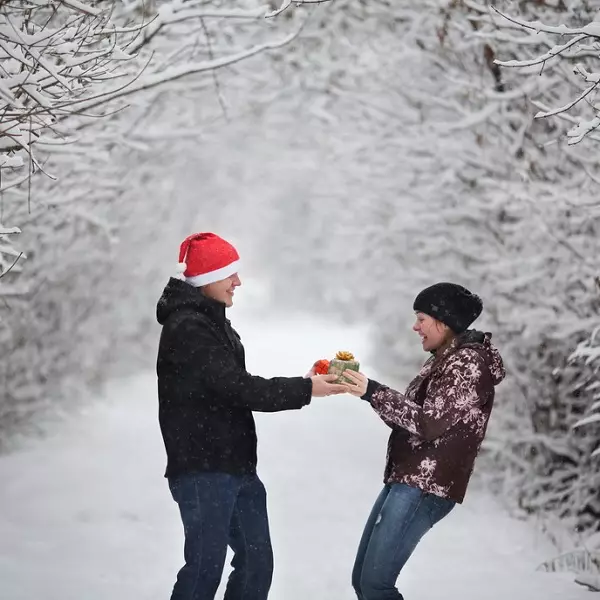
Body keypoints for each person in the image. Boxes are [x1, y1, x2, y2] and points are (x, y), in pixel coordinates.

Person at [156, 232, 347, 600]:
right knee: (203, 570)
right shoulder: (188, 327)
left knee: (257, 562)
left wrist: (306, 382)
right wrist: (306, 390)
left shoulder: (212, 321)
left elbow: (231, 388)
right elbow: (237, 388)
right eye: (230, 274)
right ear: (207, 278)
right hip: (203, 469)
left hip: (236, 466)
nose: (237, 282)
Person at [342, 282, 506, 600]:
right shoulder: (442, 359)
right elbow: (410, 420)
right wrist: (363, 391)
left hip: (427, 484)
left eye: (421, 318)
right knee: (363, 581)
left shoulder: (468, 365)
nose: (415, 327)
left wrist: (371, 390)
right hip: (408, 477)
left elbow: (428, 424)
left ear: (443, 322)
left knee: (375, 585)